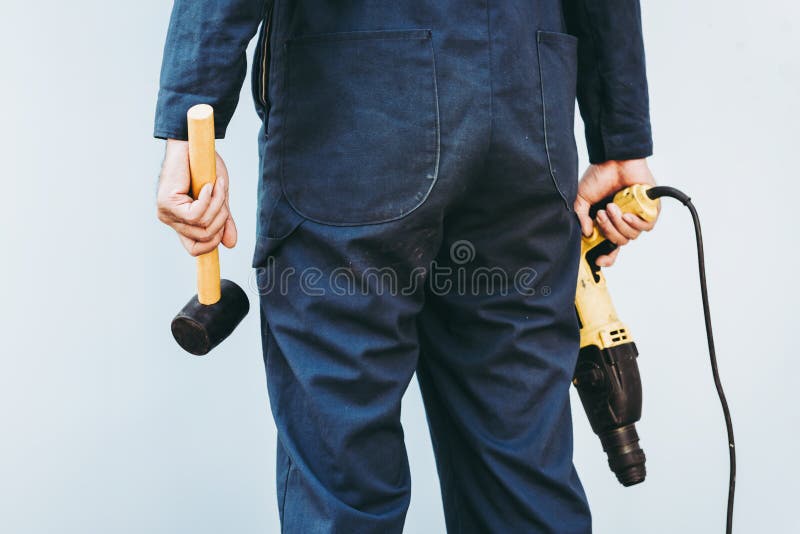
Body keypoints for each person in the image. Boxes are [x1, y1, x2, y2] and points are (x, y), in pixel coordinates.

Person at [154, 1, 657, 532]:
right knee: (522, 479)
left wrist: (192, 108)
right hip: (523, 106)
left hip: (352, 111)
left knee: (343, 486)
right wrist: (620, 137)